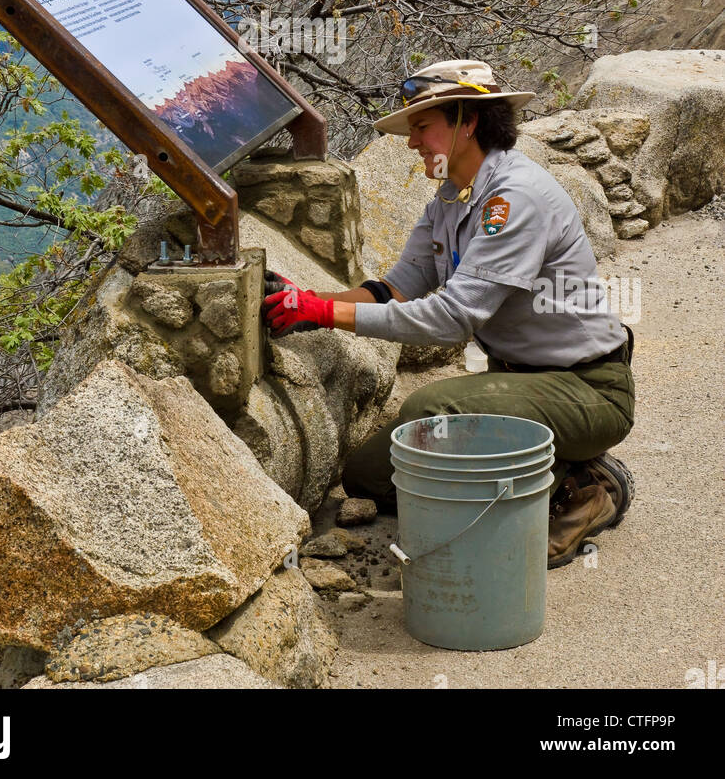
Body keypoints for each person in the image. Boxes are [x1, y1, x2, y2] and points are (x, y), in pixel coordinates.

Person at [260, 58, 636, 569]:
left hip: (587, 389)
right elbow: (396, 288)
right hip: (519, 383)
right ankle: (536, 467)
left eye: (422, 127)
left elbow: (453, 318)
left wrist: (325, 314)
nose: (412, 142)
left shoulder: (516, 198)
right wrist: (307, 302)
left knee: (430, 412)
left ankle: (585, 487)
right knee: (370, 476)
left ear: (468, 121)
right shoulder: (449, 198)